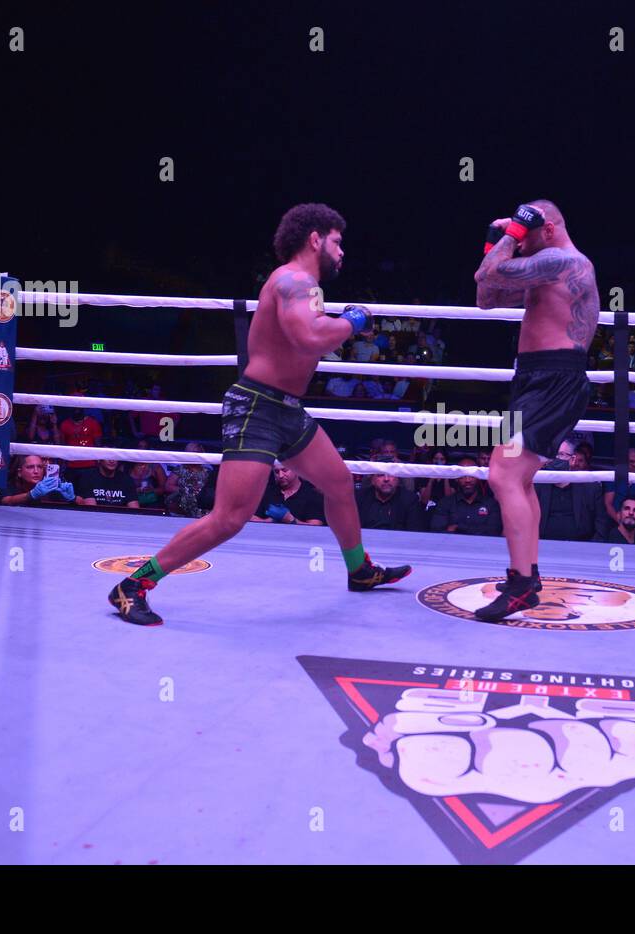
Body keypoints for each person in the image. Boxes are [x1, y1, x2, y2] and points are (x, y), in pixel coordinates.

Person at [107, 203, 410, 625]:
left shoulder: (306, 287)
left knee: (339, 483)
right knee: (230, 518)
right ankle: (133, 585)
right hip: (257, 408)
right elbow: (309, 337)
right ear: (315, 239)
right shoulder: (293, 280)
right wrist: (353, 321)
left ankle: (359, 571)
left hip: (286, 408)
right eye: (338, 242)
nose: (343, 252)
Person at [471, 201, 598, 621]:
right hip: (535, 377)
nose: (520, 245)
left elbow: (490, 272)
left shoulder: (562, 261)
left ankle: (521, 585)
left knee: (503, 473)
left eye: (528, 235)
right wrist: (498, 240)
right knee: (520, 479)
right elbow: (484, 296)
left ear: (545, 229)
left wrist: (510, 235)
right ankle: (530, 574)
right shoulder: (543, 268)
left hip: (554, 377)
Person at [429, 455, 503, 535]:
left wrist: (458, 528)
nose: (468, 480)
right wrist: (478, 529)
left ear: (478, 477)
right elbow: (436, 531)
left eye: (472, 475)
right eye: (463, 476)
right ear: (456, 478)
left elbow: (494, 531)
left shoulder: (491, 504)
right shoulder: (445, 503)